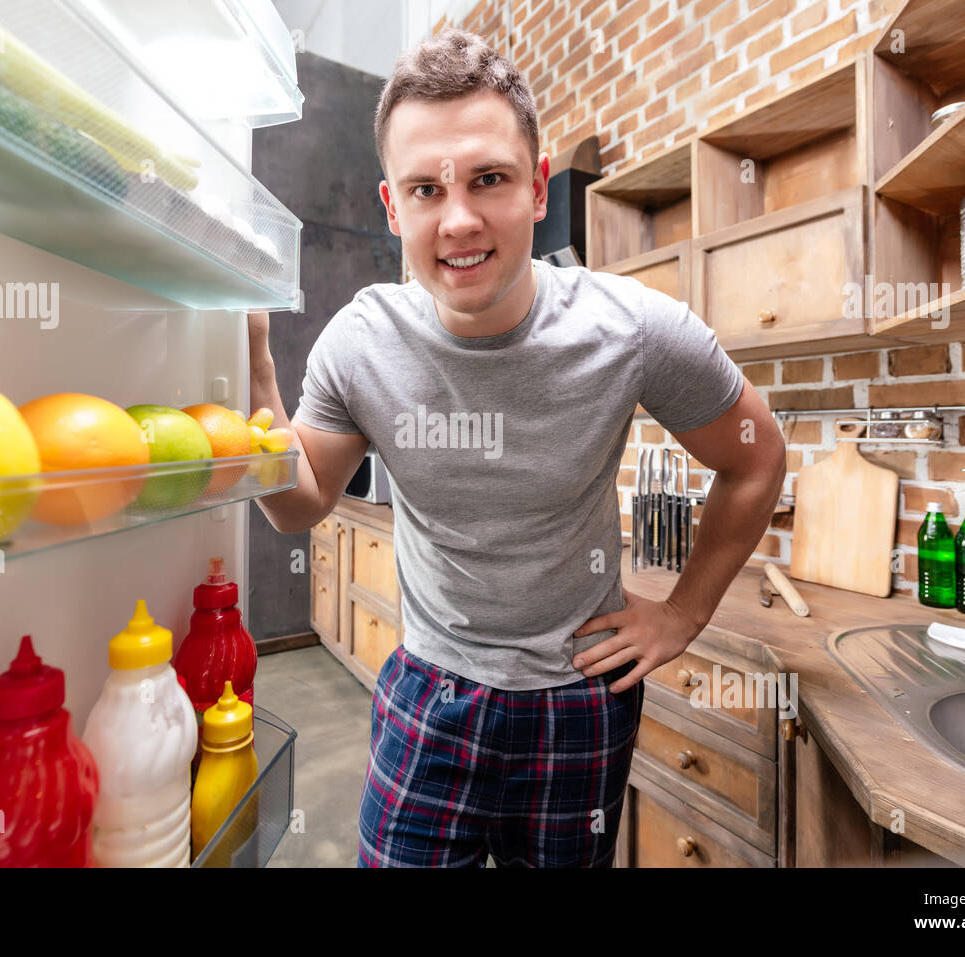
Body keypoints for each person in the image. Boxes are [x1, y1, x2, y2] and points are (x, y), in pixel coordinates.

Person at [249, 28, 785, 867]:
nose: (459, 219)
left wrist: (684, 613)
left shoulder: (633, 328)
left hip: (580, 700)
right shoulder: (361, 341)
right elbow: (299, 505)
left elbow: (756, 457)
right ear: (393, 207)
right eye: (427, 189)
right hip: (430, 694)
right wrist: (252, 389)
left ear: (536, 188)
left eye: (489, 179)